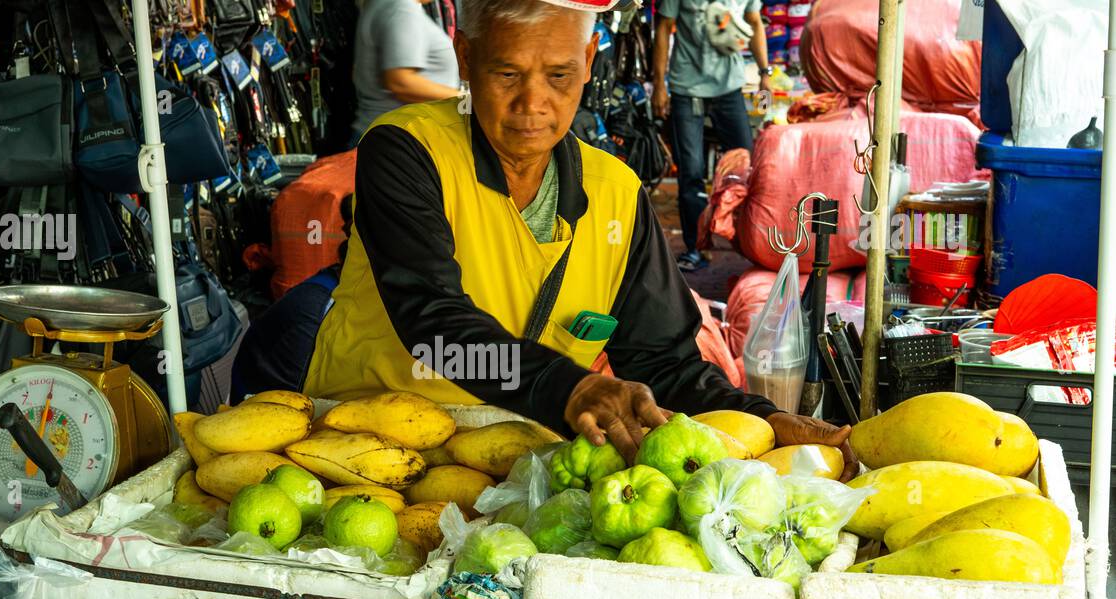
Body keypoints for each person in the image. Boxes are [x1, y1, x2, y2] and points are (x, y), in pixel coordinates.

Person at [241, 0, 853, 472]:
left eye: (560, 75)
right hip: (367, 451)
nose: (532, 104)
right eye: (507, 72)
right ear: (465, 55)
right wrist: (573, 386)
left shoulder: (616, 191)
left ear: (588, 63)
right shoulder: (404, 151)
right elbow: (434, 328)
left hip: (515, 469)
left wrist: (765, 418)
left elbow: (662, 363)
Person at [653, 0, 770, 272]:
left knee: (747, 168)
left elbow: (754, 23)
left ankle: (750, 242)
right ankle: (697, 247)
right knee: (691, 172)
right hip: (687, 88)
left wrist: (765, 74)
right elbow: (663, 27)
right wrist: (659, 84)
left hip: (729, 88)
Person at [350, 0, 462, 144]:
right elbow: (401, 82)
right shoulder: (401, 9)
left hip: (385, 135)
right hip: (395, 140)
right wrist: (463, 100)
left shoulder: (385, 4)